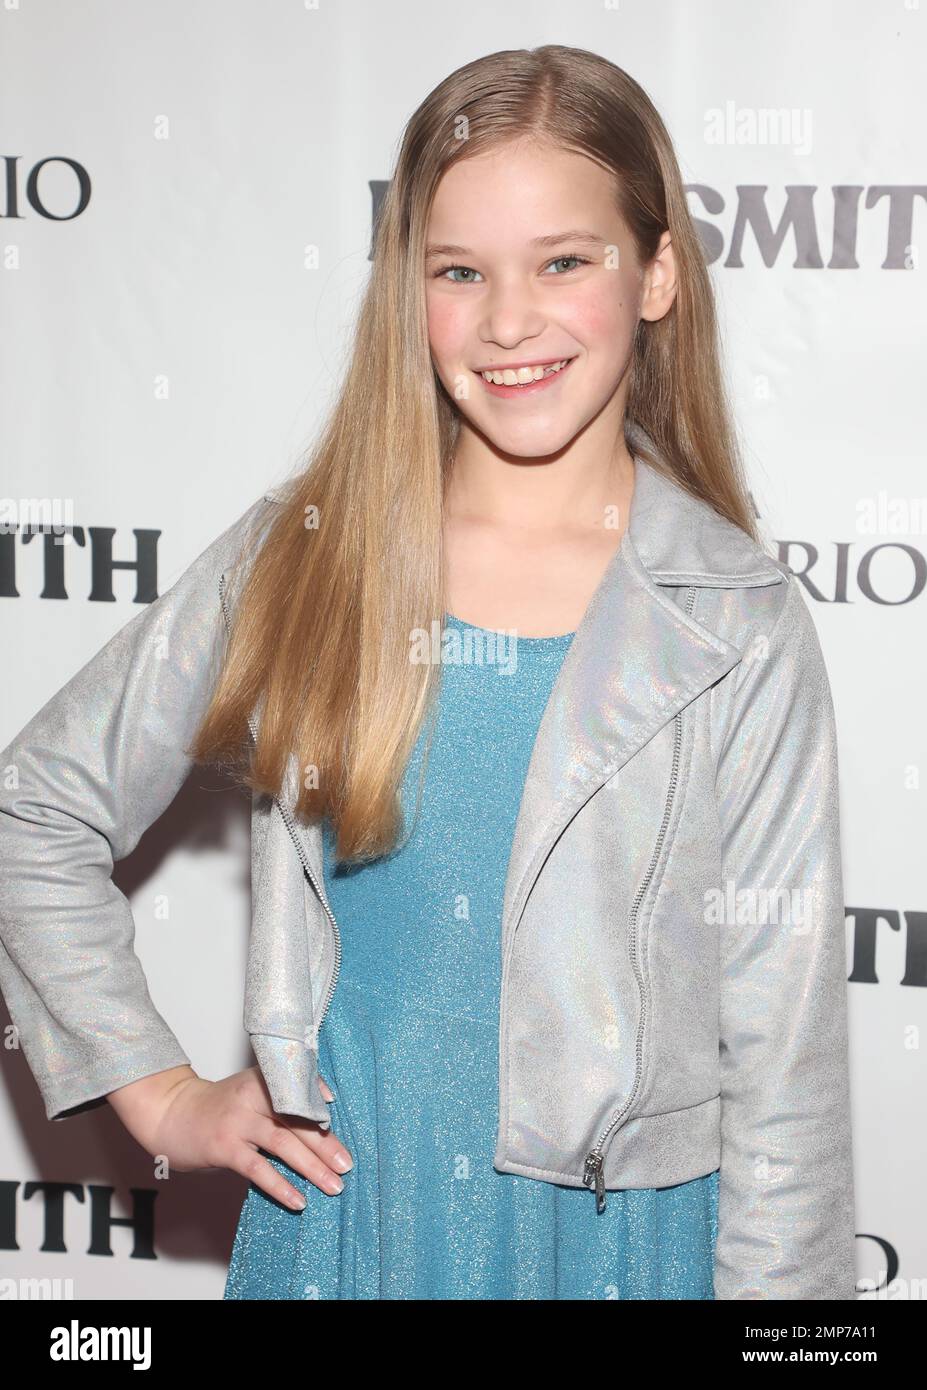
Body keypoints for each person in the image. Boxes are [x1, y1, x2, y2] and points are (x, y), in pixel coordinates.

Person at [0, 45, 856, 1300]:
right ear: (408, 288)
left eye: (565, 261)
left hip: (620, 1255)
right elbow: (35, 810)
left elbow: (784, 1074)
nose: (510, 321)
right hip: (355, 1232)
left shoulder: (739, 618)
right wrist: (161, 1092)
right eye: (459, 271)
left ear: (660, 273)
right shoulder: (305, 560)